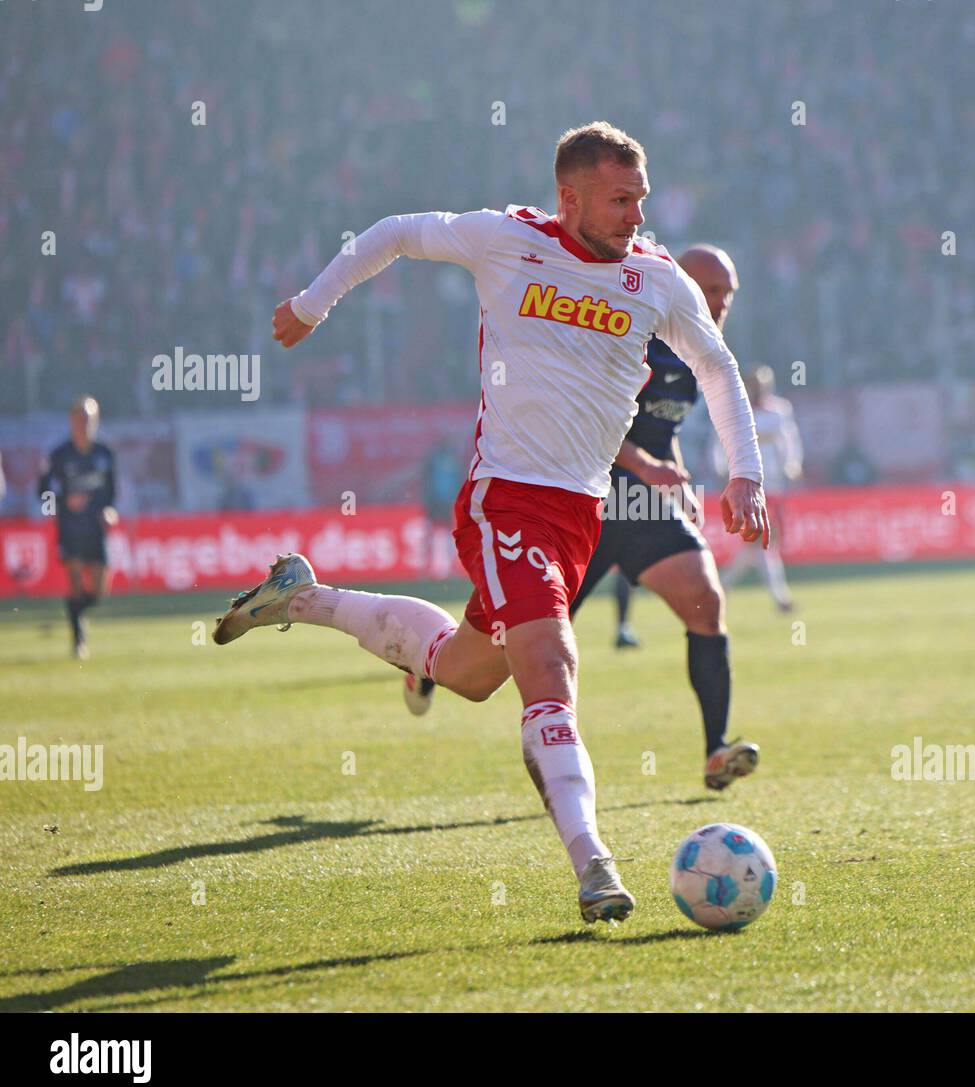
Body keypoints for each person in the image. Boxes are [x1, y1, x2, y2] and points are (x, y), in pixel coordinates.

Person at [212, 122, 768, 925]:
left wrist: (745, 470)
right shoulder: (507, 241)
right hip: (505, 495)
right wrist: (312, 303)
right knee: (551, 661)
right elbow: (399, 233)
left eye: (641, 199)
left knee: (467, 671)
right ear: (569, 196)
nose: (634, 216)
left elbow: (716, 364)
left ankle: (300, 597)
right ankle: (594, 865)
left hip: (579, 511)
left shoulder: (655, 277)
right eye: (619, 200)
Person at [567, 243, 759, 791]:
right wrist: (651, 467)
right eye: (711, 290)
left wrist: (672, 475)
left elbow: (661, 430)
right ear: (680, 286)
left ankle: (716, 751)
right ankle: (431, 659)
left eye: (728, 292)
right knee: (510, 648)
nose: (721, 302)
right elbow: (591, 423)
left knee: (707, 602)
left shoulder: (701, 350)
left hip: (642, 504)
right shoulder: (630, 334)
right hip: (587, 499)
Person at [39, 395, 118, 659]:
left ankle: (75, 611)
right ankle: (78, 641)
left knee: (99, 590)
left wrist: (108, 509)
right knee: (74, 584)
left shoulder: (104, 453)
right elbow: (43, 491)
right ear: (72, 420)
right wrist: (61, 504)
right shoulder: (58, 455)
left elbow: (111, 491)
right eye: (80, 418)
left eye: (90, 419)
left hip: (95, 527)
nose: (85, 424)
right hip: (70, 527)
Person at [720, 365, 802, 612]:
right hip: (746, 481)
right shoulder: (738, 410)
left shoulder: (779, 410)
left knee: (761, 540)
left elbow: (790, 439)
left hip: (773, 482)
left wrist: (792, 464)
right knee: (760, 539)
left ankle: (724, 589)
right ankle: (777, 597)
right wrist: (723, 466)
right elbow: (722, 440)